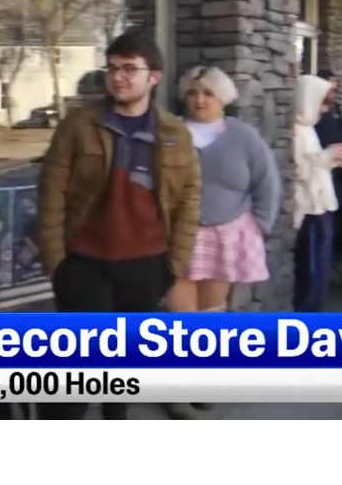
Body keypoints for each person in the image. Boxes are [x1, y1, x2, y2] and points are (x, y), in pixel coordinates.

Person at [36, 30, 200, 421]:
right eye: (112, 68)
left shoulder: (174, 133)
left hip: (146, 266)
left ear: (154, 77)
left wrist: (173, 265)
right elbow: (51, 194)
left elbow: (189, 201)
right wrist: (57, 262)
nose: (118, 77)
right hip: (85, 264)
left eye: (130, 69)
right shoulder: (78, 126)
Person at [167, 66, 280, 314]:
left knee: (211, 313)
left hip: (224, 238)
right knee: (179, 315)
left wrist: (257, 227)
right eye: (192, 93)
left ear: (223, 98)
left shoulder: (245, 137)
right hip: (176, 235)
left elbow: (267, 184)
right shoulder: (168, 132)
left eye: (208, 93)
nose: (199, 100)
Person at [293, 75, 342, 310]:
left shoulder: (307, 129)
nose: (325, 110)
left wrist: (333, 159)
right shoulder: (295, 131)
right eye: (323, 103)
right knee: (311, 271)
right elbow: (298, 170)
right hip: (309, 209)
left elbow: (314, 165)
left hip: (321, 205)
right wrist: (328, 156)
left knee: (320, 266)